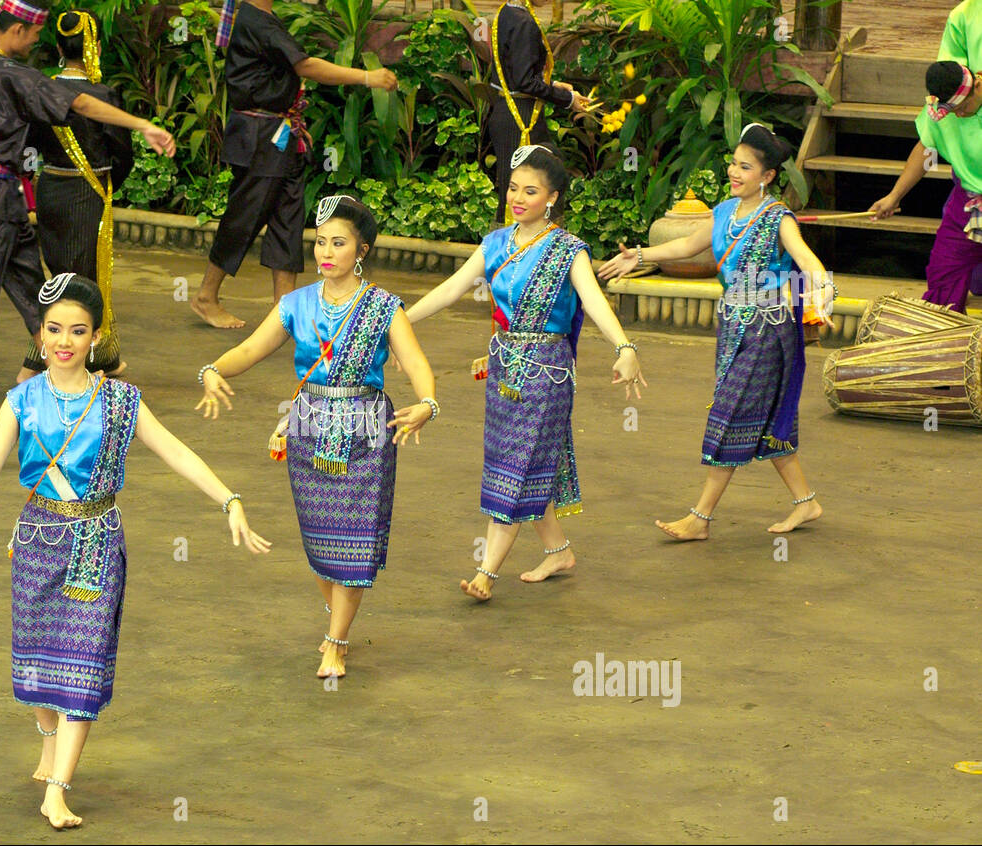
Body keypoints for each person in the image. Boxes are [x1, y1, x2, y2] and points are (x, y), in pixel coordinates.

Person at [0, 273, 270, 829]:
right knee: (39, 664)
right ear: (40, 333)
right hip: (37, 541)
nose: (65, 341)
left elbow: (175, 450)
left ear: (96, 337)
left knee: (83, 665)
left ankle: (57, 788)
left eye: (78, 330)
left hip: (97, 544)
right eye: (54, 329)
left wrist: (230, 499)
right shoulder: (20, 400)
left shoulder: (120, 400)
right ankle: (48, 745)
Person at [195, 195, 435, 679]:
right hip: (308, 431)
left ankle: (336, 640)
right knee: (322, 543)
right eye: (320, 242)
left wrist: (428, 403)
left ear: (360, 250)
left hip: (368, 432)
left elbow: (415, 364)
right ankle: (341, 618)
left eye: (338, 243)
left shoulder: (385, 307)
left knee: (356, 541)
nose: (326, 252)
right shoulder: (295, 304)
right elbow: (250, 348)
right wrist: (213, 369)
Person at [406, 145, 644, 601]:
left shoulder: (569, 251)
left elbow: (594, 301)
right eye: (513, 188)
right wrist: (399, 324)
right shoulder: (496, 243)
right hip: (502, 373)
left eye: (530, 191)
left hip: (547, 378)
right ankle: (558, 551)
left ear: (551, 197)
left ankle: (486, 572)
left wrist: (625, 346)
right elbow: (453, 288)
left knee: (515, 468)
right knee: (524, 464)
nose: (517, 198)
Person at [0, 0, 175, 415]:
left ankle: (47, 370)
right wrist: (142, 124)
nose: (39, 40)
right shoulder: (16, 77)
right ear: (16, 30)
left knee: (35, 290)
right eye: (34, 33)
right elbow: (82, 104)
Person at [599, 124, 832, 541]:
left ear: (767, 177)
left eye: (745, 167)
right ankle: (806, 502)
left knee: (730, 414)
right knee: (760, 420)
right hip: (732, 328)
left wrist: (822, 293)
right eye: (733, 164)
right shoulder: (725, 211)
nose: (734, 172)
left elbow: (808, 261)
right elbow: (687, 247)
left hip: (768, 330)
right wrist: (639, 254)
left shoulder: (778, 218)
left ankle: (700, 517)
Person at [189, 0, 399, 330]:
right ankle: (206, 295)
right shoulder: (256, 21)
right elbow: (306, 66)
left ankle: (282, 310)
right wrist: (366, 76)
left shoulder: (263, 19)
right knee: (246, 215)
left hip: (280, 134)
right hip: (260, 137)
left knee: (288, 217)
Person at [23, 8, 134, 377]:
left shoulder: (42, 89)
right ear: (94, 47)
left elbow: (30, 144)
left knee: (57, 273)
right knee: (84, 278)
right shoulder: (103, 94)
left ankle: (96, 355)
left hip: (51, 188)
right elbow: (123, 152)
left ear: (58, 46)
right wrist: (108, 185)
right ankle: (62, 358)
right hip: (88, 193)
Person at [869, 58, 982, 314]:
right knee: (944, 273)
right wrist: (894, 196)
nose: (960, 114)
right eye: (953, 111)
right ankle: (945, 344)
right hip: (967, 202)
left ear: (977, 86)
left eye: (964, 106)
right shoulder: (939, 114)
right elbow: (926, 150)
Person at [487, 0, 588, 226]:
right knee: (524, 190)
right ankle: (517, 254)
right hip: (521, 118)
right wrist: (567, 99)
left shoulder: (507, 12)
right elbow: (525, 82)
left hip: (508, 110)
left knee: (516, 186)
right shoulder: (524, 21)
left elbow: (516, 72)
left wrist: (553, 85)